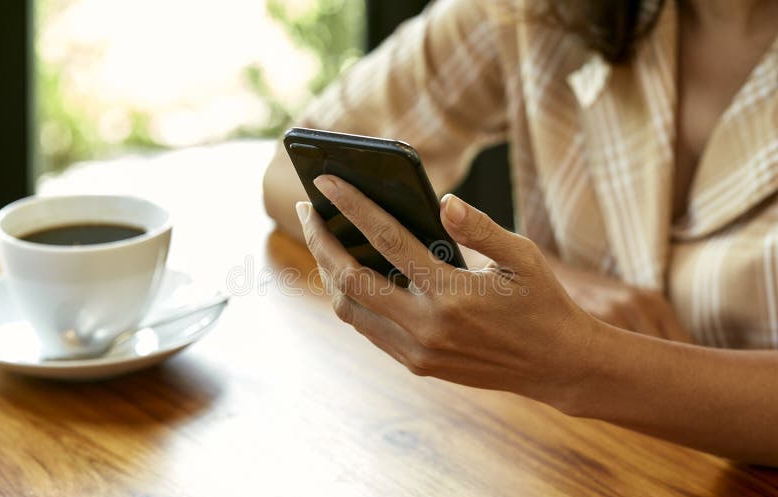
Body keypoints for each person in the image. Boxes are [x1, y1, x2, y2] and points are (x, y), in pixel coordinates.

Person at [262, 0, 778, 465]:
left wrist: (579, 360)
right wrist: (506, 277)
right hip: (570, 466)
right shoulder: (531, 10)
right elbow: (289, 174)